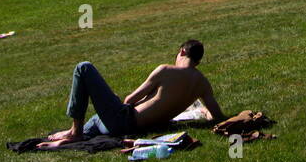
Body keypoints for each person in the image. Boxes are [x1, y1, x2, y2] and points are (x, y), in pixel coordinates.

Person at [54, 41, 226, 141]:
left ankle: (75, 132)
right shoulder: (203, 84)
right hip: (137, 129)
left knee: (83, 68)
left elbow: (129, 100)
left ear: (181, 51)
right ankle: (78, 134)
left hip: (124, 121)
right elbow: (217, 116)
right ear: (198, 62)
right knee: (96, 120)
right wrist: (204, 112)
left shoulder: (166, 71)